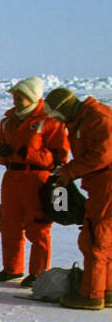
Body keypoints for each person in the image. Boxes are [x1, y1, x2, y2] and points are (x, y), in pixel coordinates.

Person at [0, 76, 68, 286]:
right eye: (14, 95)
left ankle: (38, 273)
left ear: (32, 97)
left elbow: (60, 157)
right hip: (12, 178)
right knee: (9, 225)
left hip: (37, 180)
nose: (15, 99)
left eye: (20, 96)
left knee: (39, 226)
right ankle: (12, 269)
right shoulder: (7, 122)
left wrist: (31, 154)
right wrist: (1, 154)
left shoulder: (51, 121)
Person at [44, 87, 112, 310]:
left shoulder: (97, 119)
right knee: (106, 241)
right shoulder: (87, 118)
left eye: (56, 116)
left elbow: (102, 155)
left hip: (107, 187)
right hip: (101, 185)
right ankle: (107, 290)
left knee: (95, 239)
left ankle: (91, 295)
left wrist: (70, 171)